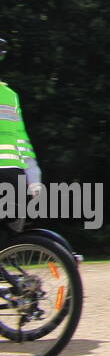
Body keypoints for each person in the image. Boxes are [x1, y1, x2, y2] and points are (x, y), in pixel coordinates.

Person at [0, 38, 43, 226]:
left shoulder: (10, 96)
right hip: (14, 180)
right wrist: (33, 179)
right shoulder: (10, 96)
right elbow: (22, 142)